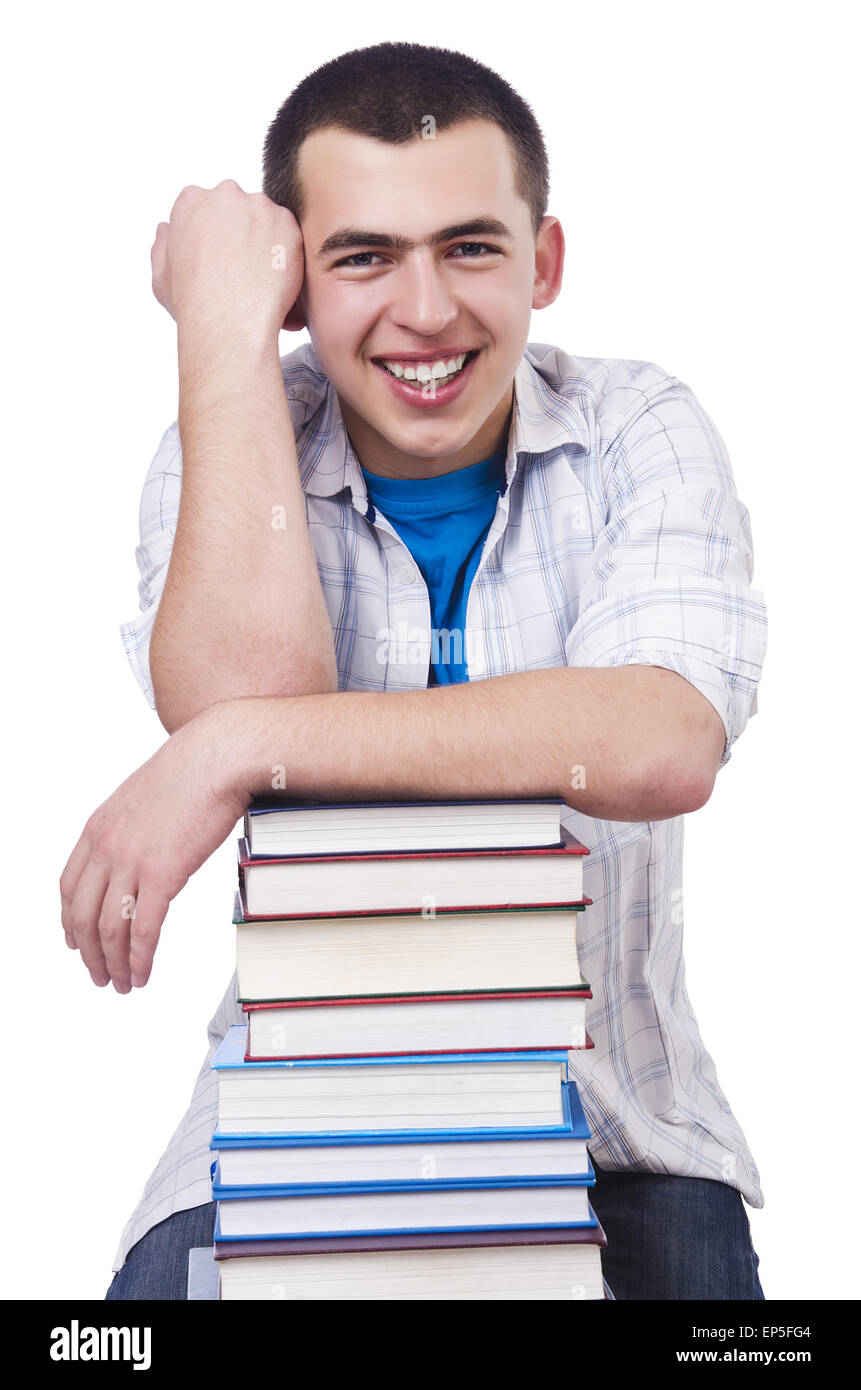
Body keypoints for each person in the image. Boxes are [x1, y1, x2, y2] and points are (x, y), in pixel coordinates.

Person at [59, 41, 768, 1300]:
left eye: (473, 247)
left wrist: (231, 751)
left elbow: (661, 740)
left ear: (544, 262)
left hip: (618, 1132)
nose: (428, 311)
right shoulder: (231, 439)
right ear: (292, 284)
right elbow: (243, 694)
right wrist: (219, 334)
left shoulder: (638, 427)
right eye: (362, 257)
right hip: (289, 1107)